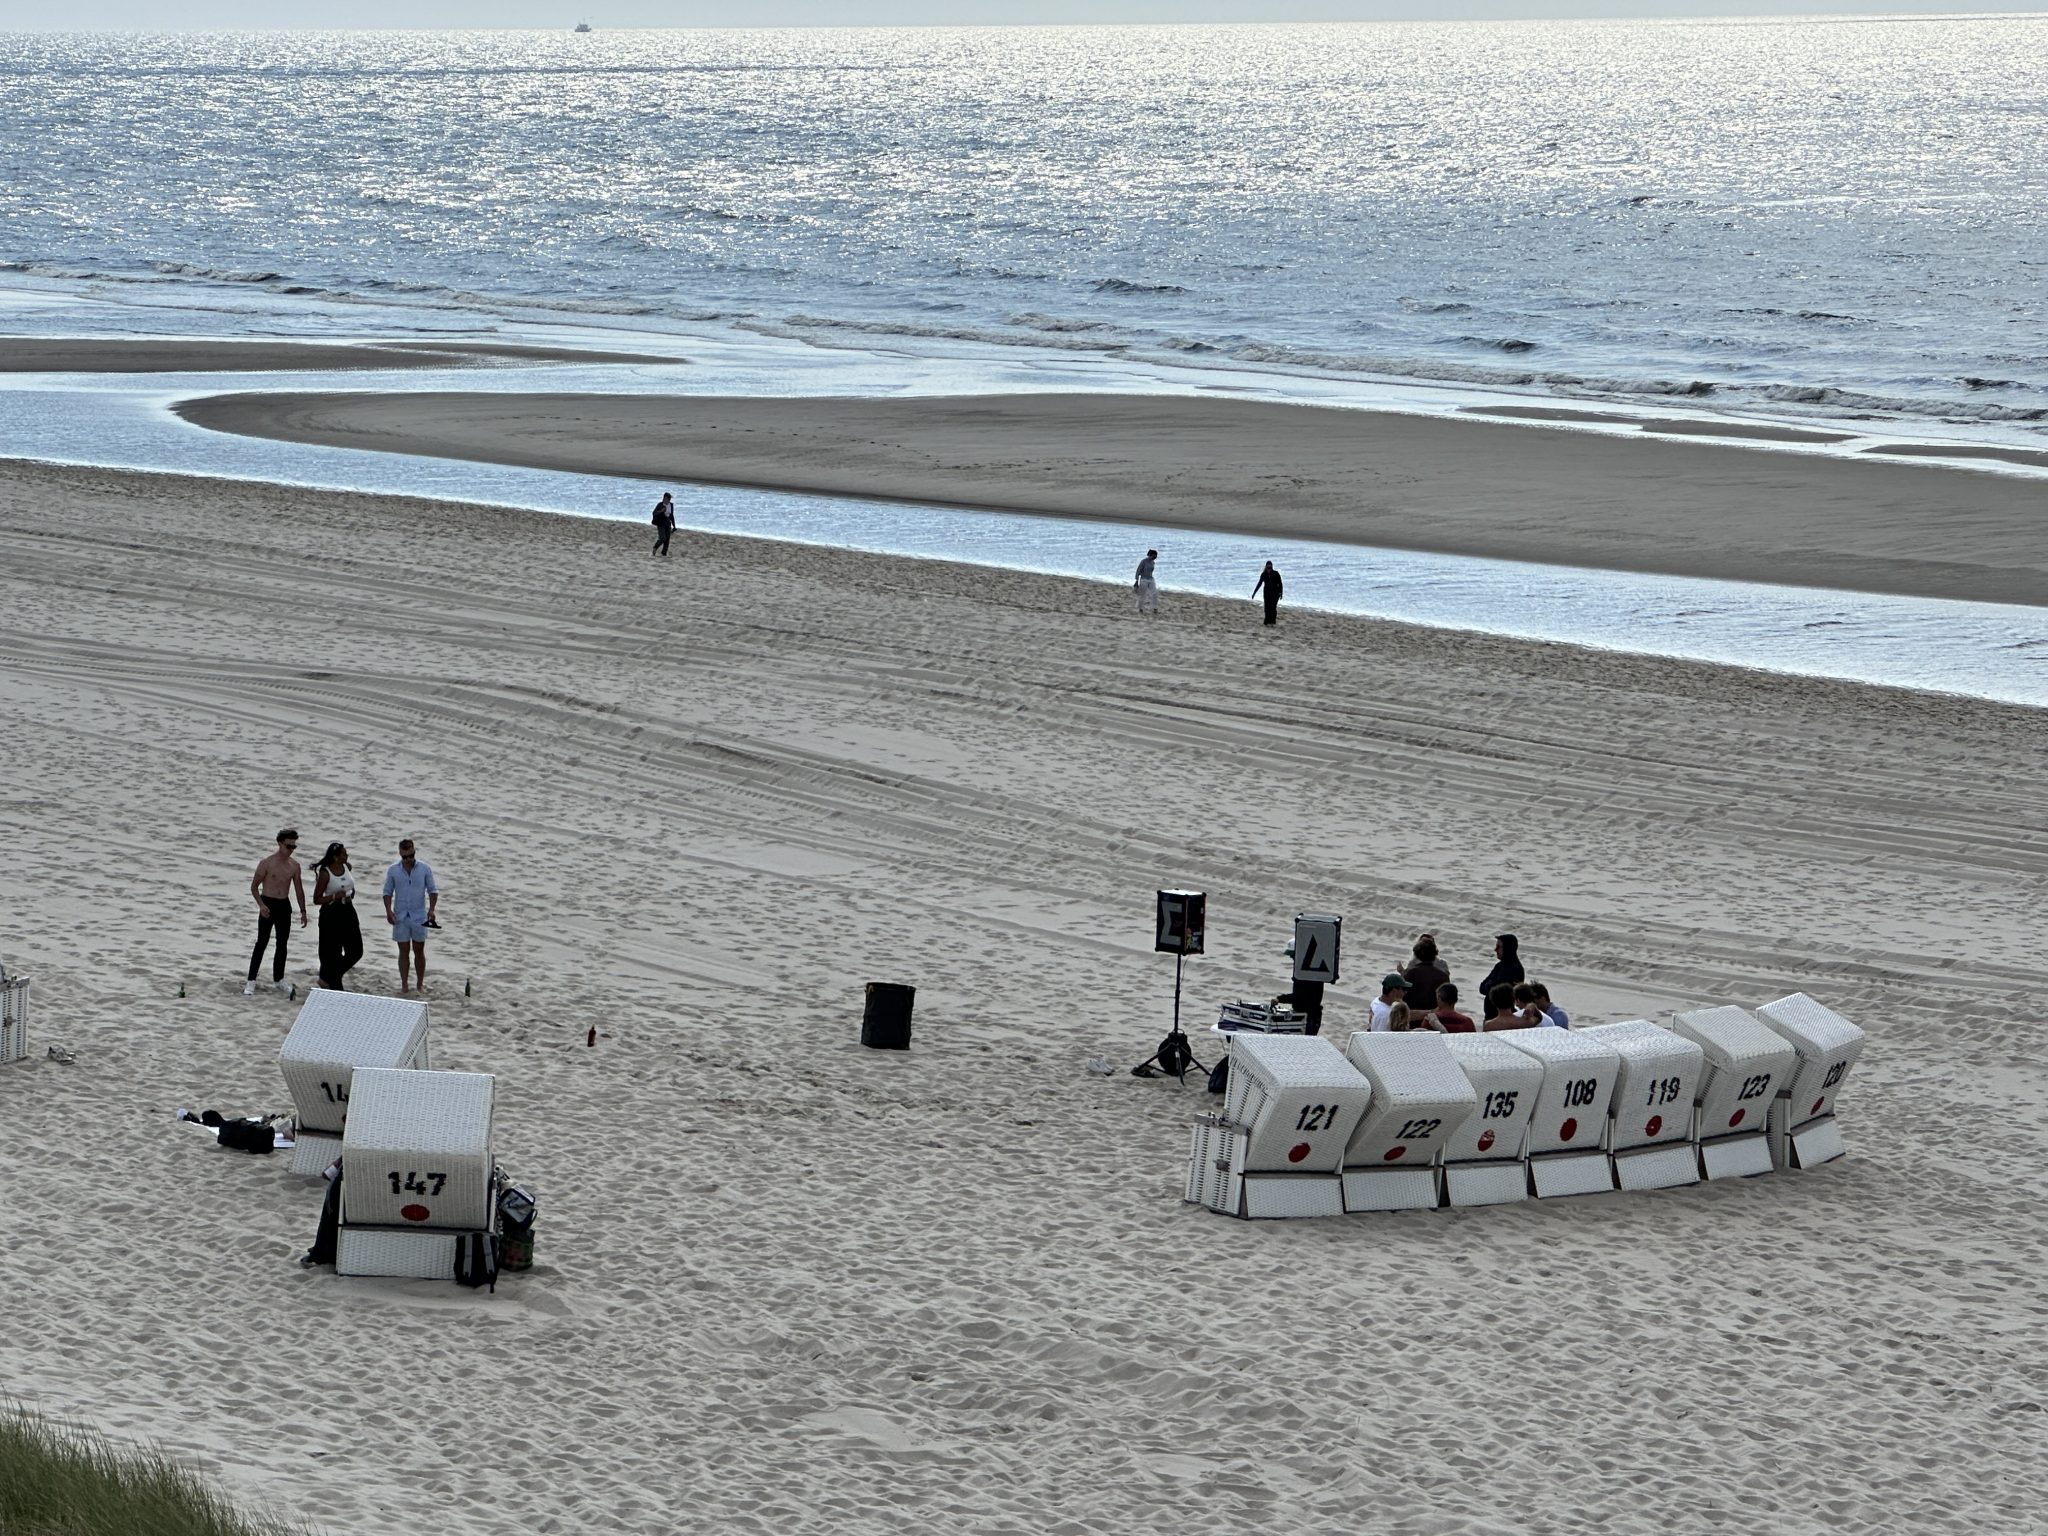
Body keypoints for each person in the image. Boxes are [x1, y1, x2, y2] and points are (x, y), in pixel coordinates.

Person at [245, 829, 307, 997]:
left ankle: (278, 979)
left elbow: (299, 890)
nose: (291, 850)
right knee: (262, 942)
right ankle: (251, 980)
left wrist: (303, 911)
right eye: (288, 846)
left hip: (284, 905)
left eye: (294, 847)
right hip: (268, 902)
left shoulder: (294, 866)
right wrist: (261, 905)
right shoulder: (267, 863)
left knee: (282, 944)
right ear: (280, 844)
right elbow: (254, 887)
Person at [381, 838, 441, 995]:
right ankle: (404, 984)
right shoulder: (393, 870)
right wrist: (388, 911)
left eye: (411, 856)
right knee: (403, 951)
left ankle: (420, 984)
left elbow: (432, 891)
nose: (408, 860)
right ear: (400, 854)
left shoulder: (424, 869)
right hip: (400, 916)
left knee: (419, 950)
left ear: (414, 852)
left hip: (419, 916)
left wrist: (432, 910)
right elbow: (387, 892)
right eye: (404, 857)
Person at [312, 841, 364, 992]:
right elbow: (317, 899)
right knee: (333, 953)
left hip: (348, 909)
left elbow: (348, 883)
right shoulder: (325, 873)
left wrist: (350, 892)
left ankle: (328, 977)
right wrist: (334, 896)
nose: (347, 856)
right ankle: (334, 984)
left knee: (356, 951)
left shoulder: (347, 867)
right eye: (344, 854)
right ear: (335, 857)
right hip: (331, 913)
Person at [1400, 935, 1449, 1012]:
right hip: (1435, 1014)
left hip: (1412, 1014)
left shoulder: (1410, 974)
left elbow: (1402, 997)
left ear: (1417, 954)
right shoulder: (1443, 976)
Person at [1478, 933, 1524, 999]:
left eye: (1498, 947)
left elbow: (1499, 993)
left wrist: (1489, 985)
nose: (1495, 949)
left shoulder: (1515, 969)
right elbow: (1482, 988)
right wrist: (1490, 986)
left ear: (1507, 948)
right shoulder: (1499, 965)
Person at [1251, 561, 1283, 626]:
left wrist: (1281, 593)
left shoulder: (1276, 573)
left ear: (1272, 567)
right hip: (1267, 593)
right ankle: (1267, 621)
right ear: (1266, 567)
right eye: (1268, 568)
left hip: (1275, 593)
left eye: (1270, 568)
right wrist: (1254, 592)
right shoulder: (1263, 574)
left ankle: (1273, 621)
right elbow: (1259, 583)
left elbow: (1280, 583)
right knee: (1267, 607)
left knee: (1273, 607)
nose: (1269, 569)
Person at [651, 491, 676, 558]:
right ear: (664, 498)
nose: (669, 500)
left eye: (670, 499)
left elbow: (671, 516)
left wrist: (674, 526)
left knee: (667, 538)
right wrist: (661, 511)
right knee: (662, 538)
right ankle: (655, 547)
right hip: (661, 522)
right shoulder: (660, 505)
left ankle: (664, 553)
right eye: (668, 499)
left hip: (668, 522)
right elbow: (654, 513)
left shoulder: (671, 505)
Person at [1133, 549, 1159, 615]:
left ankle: (1155, 608)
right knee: (1142, 594)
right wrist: (1136, 580)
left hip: (1151, 579)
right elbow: (1138, 570)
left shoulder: (1153, 562)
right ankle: (1140, 608)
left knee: (1154, 593)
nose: (1155, 557)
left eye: (1156, 556)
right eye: (1154, 556)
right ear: (1150, 555)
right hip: (1143, 579)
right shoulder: (1143, 561)